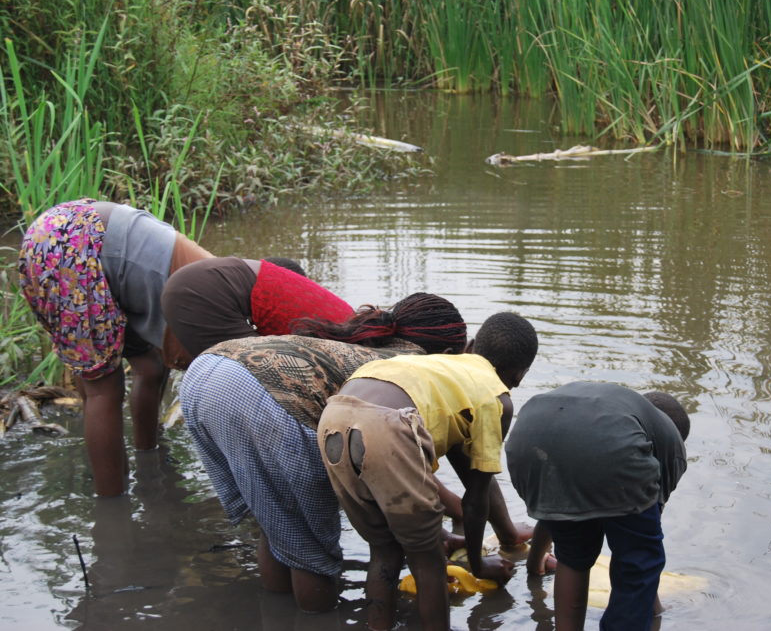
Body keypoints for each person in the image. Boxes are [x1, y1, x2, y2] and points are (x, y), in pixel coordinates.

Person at [179, 293, 469, 613]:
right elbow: (400, 472)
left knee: (276, 521)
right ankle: (315, 619)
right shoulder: (416, 372)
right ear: (447, 355)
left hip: (208, 370)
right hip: (266, 396)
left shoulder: (366, 344)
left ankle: (277, 612)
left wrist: (440, 528)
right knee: (311, 552)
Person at [317, 311, 538, 631]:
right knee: (429, 561)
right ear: (519, 376)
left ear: (471, 346)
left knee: (385, 551)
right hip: (388, 426)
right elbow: (477, 498)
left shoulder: (436, 367)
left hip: (335, 414)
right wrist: (478, 564)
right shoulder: (495, 397)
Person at [18, 198, 212, 497]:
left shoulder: (212, 275)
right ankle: (112, 505)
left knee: (150, 365)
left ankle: (148, 452)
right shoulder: (213, 298)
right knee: (103, 389)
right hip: (78, 244)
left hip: (56, 235)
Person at [506, 383, 690, 631]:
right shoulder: (671, 442)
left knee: (573, 555)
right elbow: (641, 549)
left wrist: (534, 561)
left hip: (528, 435)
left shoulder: (613, 406)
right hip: (612, 448)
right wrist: (654, 611)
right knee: (637, 558)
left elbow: (552, 514)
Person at [160, 255, 356, 369]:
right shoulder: (348, 343)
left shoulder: (326, 309)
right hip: (198, 293)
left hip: (192, 284)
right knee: (255, 376)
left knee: (231, 375)